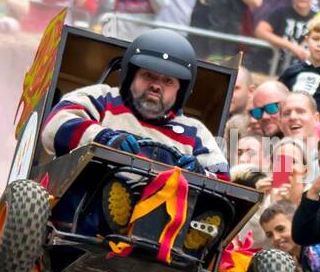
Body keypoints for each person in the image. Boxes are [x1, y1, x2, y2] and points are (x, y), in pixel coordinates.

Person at [39, 28, 228, 178]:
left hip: (162, 219)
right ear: (131, 75)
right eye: (148, 75)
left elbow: (223, 182)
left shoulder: (195, 132)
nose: (156, 86)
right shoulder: (102, 98)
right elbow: (55, 126)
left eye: (167, 81)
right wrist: (104, 140)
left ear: (182, 90)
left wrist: (198, 175)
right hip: (83, 206)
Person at [256, 0, 320, 70]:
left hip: (297, 71)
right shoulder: (281, 12)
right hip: (268, 66)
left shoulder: (318, 19)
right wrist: (291, 46)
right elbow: (260, 31)